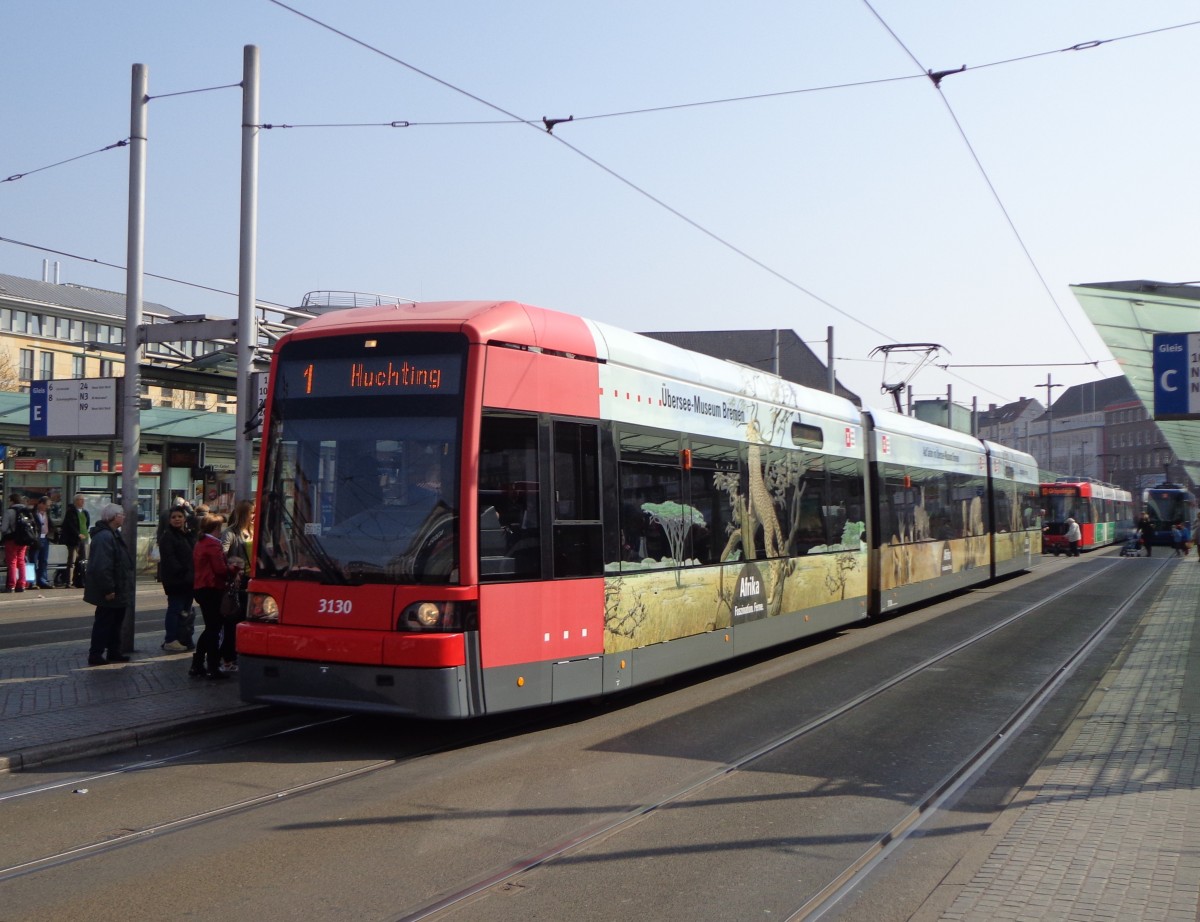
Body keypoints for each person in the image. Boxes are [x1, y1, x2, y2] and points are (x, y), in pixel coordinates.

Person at [83, 504, 133, 666]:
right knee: (104, 622)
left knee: (115, 622)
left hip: (118, 587)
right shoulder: (105, 536)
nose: (124, 517)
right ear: (113, 517)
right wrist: (108, 589)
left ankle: (114, 651)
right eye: (121, 514)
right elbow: (102, 566)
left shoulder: (113, 534)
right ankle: (96, 653)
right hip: (111, 589)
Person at [190, 514, 238, 680]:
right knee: (214, 629)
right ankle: (212, 666)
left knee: (211, 627)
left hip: (201, 588)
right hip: (211, 589)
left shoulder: (201, 542)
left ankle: (197, 664)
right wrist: (234, 568)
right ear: (216, 528)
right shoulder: (213, 544)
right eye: (220, 528)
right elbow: (220, 570)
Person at [218, 499, 254, 672]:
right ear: (244, 514)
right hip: (238, 581)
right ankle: (228, 658)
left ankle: (240, 654)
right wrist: (236, 569)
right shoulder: (230, 532)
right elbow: (222, 554)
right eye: (252, 513)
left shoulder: (254, 531)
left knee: (248, 621)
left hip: (252, 580)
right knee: (233, 621)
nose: (254, 516)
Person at [158, 506, 196, 652]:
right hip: (177, 580)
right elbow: (170, 559)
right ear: (169, 520)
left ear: (184, 518)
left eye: (180, 516)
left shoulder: (186, 534)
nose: (177, 519)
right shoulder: (168, 536)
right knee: (175, 609)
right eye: (174, 517)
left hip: (188, 580)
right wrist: (184, 573)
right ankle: (170, 639)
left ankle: (182, 637)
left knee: (185, 611)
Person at [1, 492, 30, 593]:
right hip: (24, 539)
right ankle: (22, 584)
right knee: (21, 561)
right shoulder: (26, 510)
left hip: (11, 539)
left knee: (12, 562)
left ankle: (11, 585)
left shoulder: (9, 511)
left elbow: (4, 528)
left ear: (12, 501)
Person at [61, 493, 90, 586]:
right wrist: (78, 534)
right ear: (76, 501)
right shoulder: (71, 512)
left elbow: (87, 524)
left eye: (83, 500)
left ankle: (81, 580)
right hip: (73, 540)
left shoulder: (85, 512)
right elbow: (70, 525)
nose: (83, 502)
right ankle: (69, 581)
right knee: (72, 561)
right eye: (81, 500)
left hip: (84, 539)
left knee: (82, 560)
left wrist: (84, 534)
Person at [32, 496, 52, 589]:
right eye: (47, 505)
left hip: (45, 538)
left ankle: (43, 580)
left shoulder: (47, 514)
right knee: (33, 560)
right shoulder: (33, 513)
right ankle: (33, 581)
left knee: (43, 560)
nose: (48, 507)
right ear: (41, 504)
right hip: (36, 539)